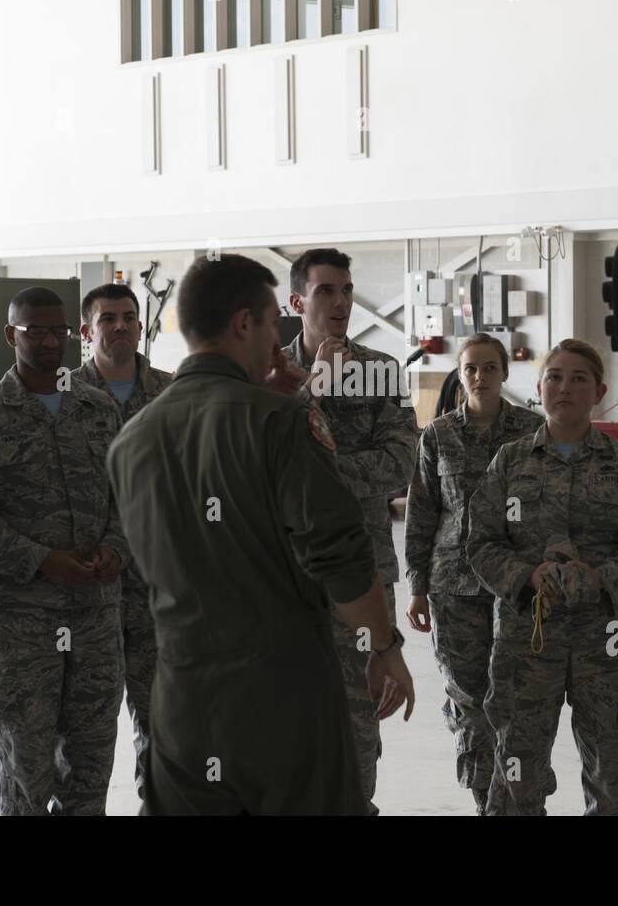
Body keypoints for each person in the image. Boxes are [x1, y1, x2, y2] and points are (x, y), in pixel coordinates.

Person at [107, 253, 415, 815]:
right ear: (246, 324)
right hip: (281, 691)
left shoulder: (132, 439)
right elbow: (340, 554)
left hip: (182, 694)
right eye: (274, 321)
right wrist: (385, 644)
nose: (278, 337)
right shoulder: (278, 417)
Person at [0, 287, 128, 815]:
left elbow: (129, 497)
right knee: (27, 775)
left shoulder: (97, 410)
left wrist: (116, 549)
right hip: (23, 626)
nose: (50, 341)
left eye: (58, 331)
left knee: (90, 772)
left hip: (95, 619)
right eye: (36, 331)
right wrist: (40, 559)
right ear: (10, 335)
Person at [466, 339, 618, 815]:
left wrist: (600, 578)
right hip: (526, 640)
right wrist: (526, 575)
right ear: (538, 388)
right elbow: (481, 542)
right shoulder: (510, 462)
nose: (565, 387)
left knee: (610, 762)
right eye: (554, 376)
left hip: (606, 638)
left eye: (578, 379)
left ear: (599, 390)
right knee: (517, 764)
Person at [272, 246, 418, 813]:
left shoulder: (381, 372)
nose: (339, 303)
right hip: (285, 580)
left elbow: (401, 462)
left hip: (360, 579)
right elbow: (261, 463)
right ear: (297, 300)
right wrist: (315, 386)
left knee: (358, 732)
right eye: (325, 291)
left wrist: (322, 472)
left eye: (347, 291)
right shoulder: (268, 374)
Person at [404, 333, 542, 814]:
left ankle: (519, 798)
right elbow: (422, 513)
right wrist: (417, 588)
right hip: (454, 587)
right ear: (459, 375)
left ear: (504, 373)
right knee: (468, 698)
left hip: (516, 586)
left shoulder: (532, 431)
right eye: (470, 369)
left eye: (489, 367)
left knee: (517, 698)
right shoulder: (438, 435)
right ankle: (485, 797)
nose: (480, 377)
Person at [75, 282, 172, 804]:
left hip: (158, 593)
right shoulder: (61, 398)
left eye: (128, 317)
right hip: (85, 592)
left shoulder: (171, 393)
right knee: (85, 737)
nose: (120, 327)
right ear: (87, 331)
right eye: (107, 318)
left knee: (164, 730)